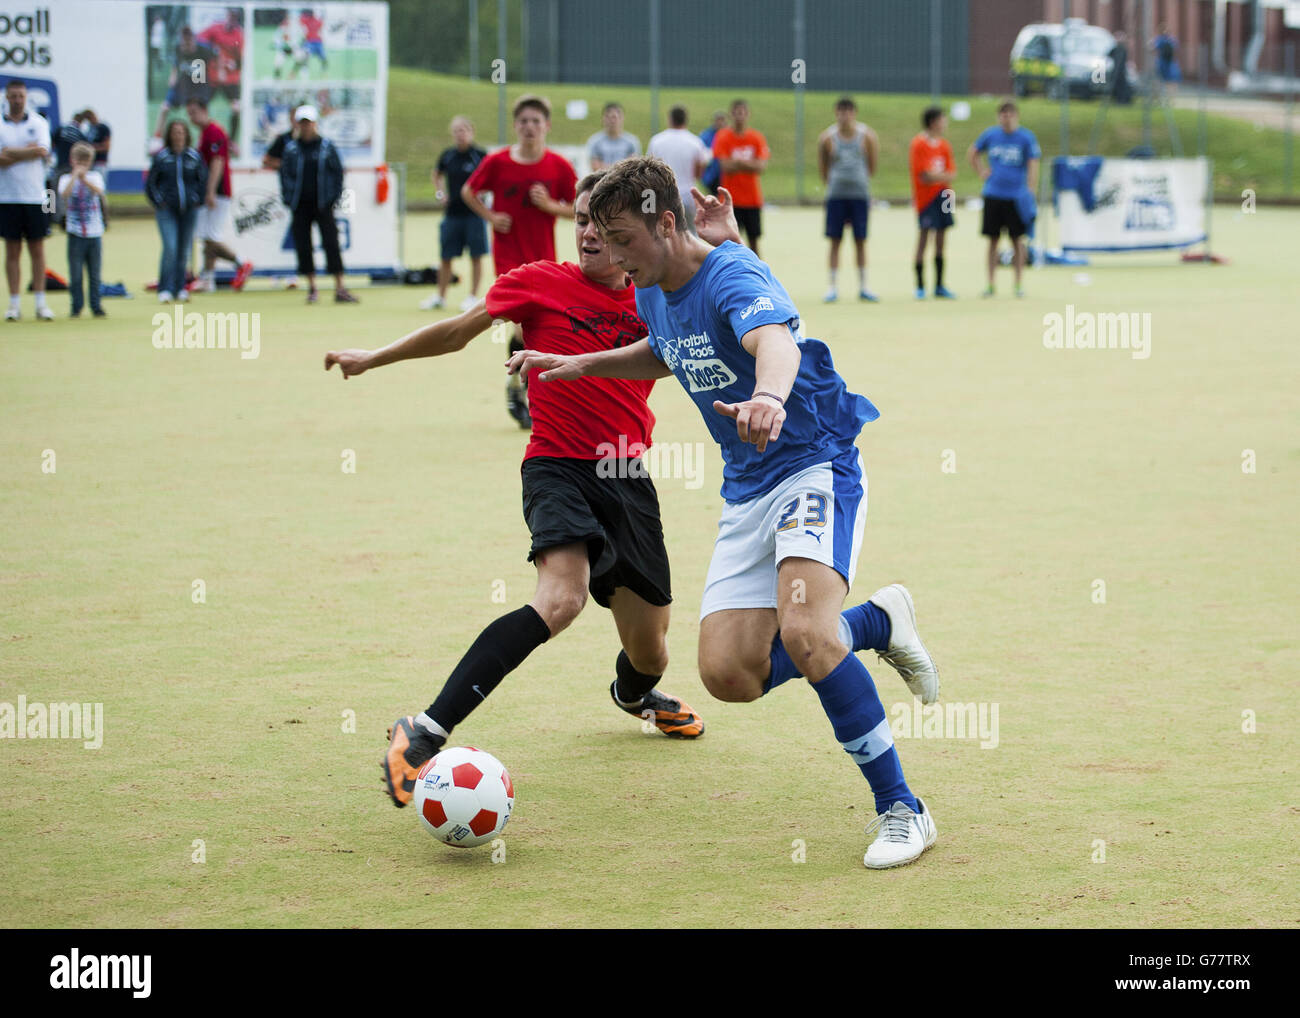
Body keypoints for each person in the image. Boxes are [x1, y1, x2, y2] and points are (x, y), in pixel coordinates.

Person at [508, 157, 943, 869]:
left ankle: (902, 808)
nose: (612, 257)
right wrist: (586, 364)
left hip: (812, 463)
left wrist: (769, 397)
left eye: (623, 239)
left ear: (667, 222)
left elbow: (774, 342)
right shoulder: (652, 282)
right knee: (728, 675)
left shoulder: (733, 276)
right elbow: (669, 351)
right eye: (603, 239)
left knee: (804, 633)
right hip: (747, 487)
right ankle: (876, 621)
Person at [323, 171, 708, 808]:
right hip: (556, 465)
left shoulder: (656, 297)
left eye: (601, 224)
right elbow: (457, 329)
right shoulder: (538, 282)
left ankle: (634, 696)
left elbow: (702, 343)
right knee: (562, 599)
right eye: (581, 219)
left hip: (628, 477)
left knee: (652, 649)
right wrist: (374, 356)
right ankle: (421, 733)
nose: (588, 232)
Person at [461, 94, 577, 430]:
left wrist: (551, 206)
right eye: (523, 121)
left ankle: (521, 384)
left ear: (547, 126)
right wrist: (491, 216)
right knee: (519, 324)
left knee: (536, 329)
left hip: (544, 260)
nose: (529, 127)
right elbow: (469, 191)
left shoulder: (558, 166)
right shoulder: (498, 162)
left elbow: (579, 208)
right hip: (509, 259)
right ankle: (522, 388)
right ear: (515, 125)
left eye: (536, 121)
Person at [279, 105, 357, 304]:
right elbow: (285, 175)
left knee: (331, 244)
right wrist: (289, 198)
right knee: (304, 246)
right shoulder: (291, 149)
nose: (306, 127)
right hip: (300, 205)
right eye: (302, 123)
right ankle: (312, 288)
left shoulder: (326, 147)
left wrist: (333, 197)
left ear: (315, 123)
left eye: (309, 123)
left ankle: (340, 287)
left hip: (323, 204)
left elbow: (338, 173)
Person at [968, 100, 1039, 299]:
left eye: (1009, 114)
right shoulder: (991, 135)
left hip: (1016, 196)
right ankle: (990, 284)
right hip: (993, 194)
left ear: (1016, 116)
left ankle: (1018, 284)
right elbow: (973, 152)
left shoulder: (1025, 137)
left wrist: (1030, 189)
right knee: (992, 240)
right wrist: (981, 171)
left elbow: (1033, 163)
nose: (1006, 118)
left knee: (1017, 241)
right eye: (1002, 114)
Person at [421, 115, 488, 311]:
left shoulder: (479, 155)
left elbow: (491, 178)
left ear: (471, 132)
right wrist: (440, 193)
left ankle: (472, 296)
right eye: (457, 131)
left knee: (476, 256)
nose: (460, 134)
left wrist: (483, 194)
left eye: (464, 130)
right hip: (452, 214)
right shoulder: (448, 155)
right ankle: (440, 297)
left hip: (474, 213)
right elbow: (437, 174)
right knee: (446, 256)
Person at [0, 79, 54, 322]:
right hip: (7, 196)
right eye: (13, 96)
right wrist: (27, 152)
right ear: (7, 98)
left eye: (21, 96)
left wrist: (11, 152)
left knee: (37, 249)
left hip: (35, 196)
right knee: (12, 250)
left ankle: (41, 303)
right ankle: (13, 304)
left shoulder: (38, 123)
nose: (17, 100)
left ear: (26, 98)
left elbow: (42, 152)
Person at [187, 97, 253, 293]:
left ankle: (241, 263)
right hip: (212, 191)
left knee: (209, 236)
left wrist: (210, 191)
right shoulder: (205, 133)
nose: (191, 118)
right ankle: (208, 279)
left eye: (193, 112)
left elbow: (217, 162)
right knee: (208, 235)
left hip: (218, 191)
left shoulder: (214, 132)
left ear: (204, 109)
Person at [818, 96, 878, 303]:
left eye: (848, 112)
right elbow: (823, 168)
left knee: (860, 240)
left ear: (854, 113)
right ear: (836, 114)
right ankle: (832, 287)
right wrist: (834, 183)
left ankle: (864, 286)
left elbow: (872, 165)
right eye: (841, 112)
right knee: (835, 241)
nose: (845, 116)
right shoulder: (827, 137)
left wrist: (859, 181)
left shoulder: (866, 135)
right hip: (836, 195)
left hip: (859, 195)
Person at [146, 119, 207, 304]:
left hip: (189, 209)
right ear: (169, 135)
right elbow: (151, 183)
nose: (178, 136)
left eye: (181, 132)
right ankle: (164, 287)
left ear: (186, 135)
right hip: (167, 210)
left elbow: (202, 180)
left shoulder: (194, 157)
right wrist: (159, 201)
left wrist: (198, 199)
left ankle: (180, 287)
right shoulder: (162, 157)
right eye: (175, 132)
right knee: (171, 247)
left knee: (184, 250)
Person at [909, 106, 957, 300]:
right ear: (933, 122)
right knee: (924, 239)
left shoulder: (944, 145)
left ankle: (939, 285)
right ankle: (920, 285)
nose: (944, 123)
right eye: (942, 119)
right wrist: (940, 176)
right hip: (926, 198)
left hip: (945, 195)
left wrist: (938, 177)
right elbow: (923, 175)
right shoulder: (918, 144)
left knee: (942, 239)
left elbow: (952, 173)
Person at [712, 99, 769, 256]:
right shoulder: (723, 137)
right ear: (731, 114)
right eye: (737, 112)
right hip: (730, 200)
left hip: (752, 199)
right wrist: (749, 164)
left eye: (743, 112)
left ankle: (756, 275)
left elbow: (760, 166)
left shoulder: (756, 138)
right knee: (727, 244)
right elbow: (725, 166)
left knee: (754, 241)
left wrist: (736, 162)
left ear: (748, 114)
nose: (740, 116)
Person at [58, 142, 106, 318]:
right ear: (73, 161)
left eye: (86, 162)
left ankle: (96, 305)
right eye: (80, 162)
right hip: (75, 233)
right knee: (76, 274)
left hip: (95, 233)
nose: (83, 166)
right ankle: (76, 306)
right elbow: (64, 194)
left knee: (95, 273)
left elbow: (99, 192)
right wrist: (74, 177)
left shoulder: (94, 177)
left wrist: (84, 179)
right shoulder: (65, 179)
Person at [647, 105, 709, 233]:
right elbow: (698, 173)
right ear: (686, 119)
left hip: (663, 195)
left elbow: (649, 169)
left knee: (663, 233)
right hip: (688, 195)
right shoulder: (695, 142)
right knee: (691, 233)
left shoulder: (657, 141)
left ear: (670, 119)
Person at [152, 26, 215, 144]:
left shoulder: (204, 49)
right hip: (183, 84)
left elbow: (217, 60)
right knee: (164, 108)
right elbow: (176, 64)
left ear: (193, 40)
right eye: (183, 44)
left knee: (200, 116)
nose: (185, 47)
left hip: (199, 84)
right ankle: (157, 138)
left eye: (188, 44)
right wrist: (173, 76)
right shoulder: (178, 48)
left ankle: (204, 141)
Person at [197, 8, 245, 149]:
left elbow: (240, 62)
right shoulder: (215, 29)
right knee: (202, 107)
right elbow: (199, 39)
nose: (232, 20)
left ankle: (232, 141)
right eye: (231, 16)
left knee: (236, 108)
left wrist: (231, 64)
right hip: (213, 77)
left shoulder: (239, 35)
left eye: (235, 18)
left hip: (230, 79)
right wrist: (212, 51)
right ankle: (204, 138)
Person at [586, 102, 640, 171]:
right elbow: (595, 167)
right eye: (608, 117)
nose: (612, 121)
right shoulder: (594, 141)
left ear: (622, 118)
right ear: (603, 119)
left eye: (615, 117)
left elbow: (633, 166)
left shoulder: (632, 142)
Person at [697, 110, 727, 195]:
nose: (720, 123)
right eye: (718, 120)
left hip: (725, 173)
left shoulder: (728, 135)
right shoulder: (706, 135)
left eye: (722, 120)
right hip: (711, 174)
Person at [1151, 24, 1181, 98]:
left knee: (1160, 80)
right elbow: (1176, 50)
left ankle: (1158, 97)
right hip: (1171, 63)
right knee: (1171, 81)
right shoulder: (1172, 39)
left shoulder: (1159, 39)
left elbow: (1152, 48)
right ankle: (1170, 97)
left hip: (1163, 63)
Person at [1109, 32, 1133, 105]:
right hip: (1116, 70)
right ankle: (1117, 99)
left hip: (1121, 71)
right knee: (1116, 85)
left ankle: (1123, 100)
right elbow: (1109, 54)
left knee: (1122, 86)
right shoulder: (1116, 48)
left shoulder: (1123, 49)